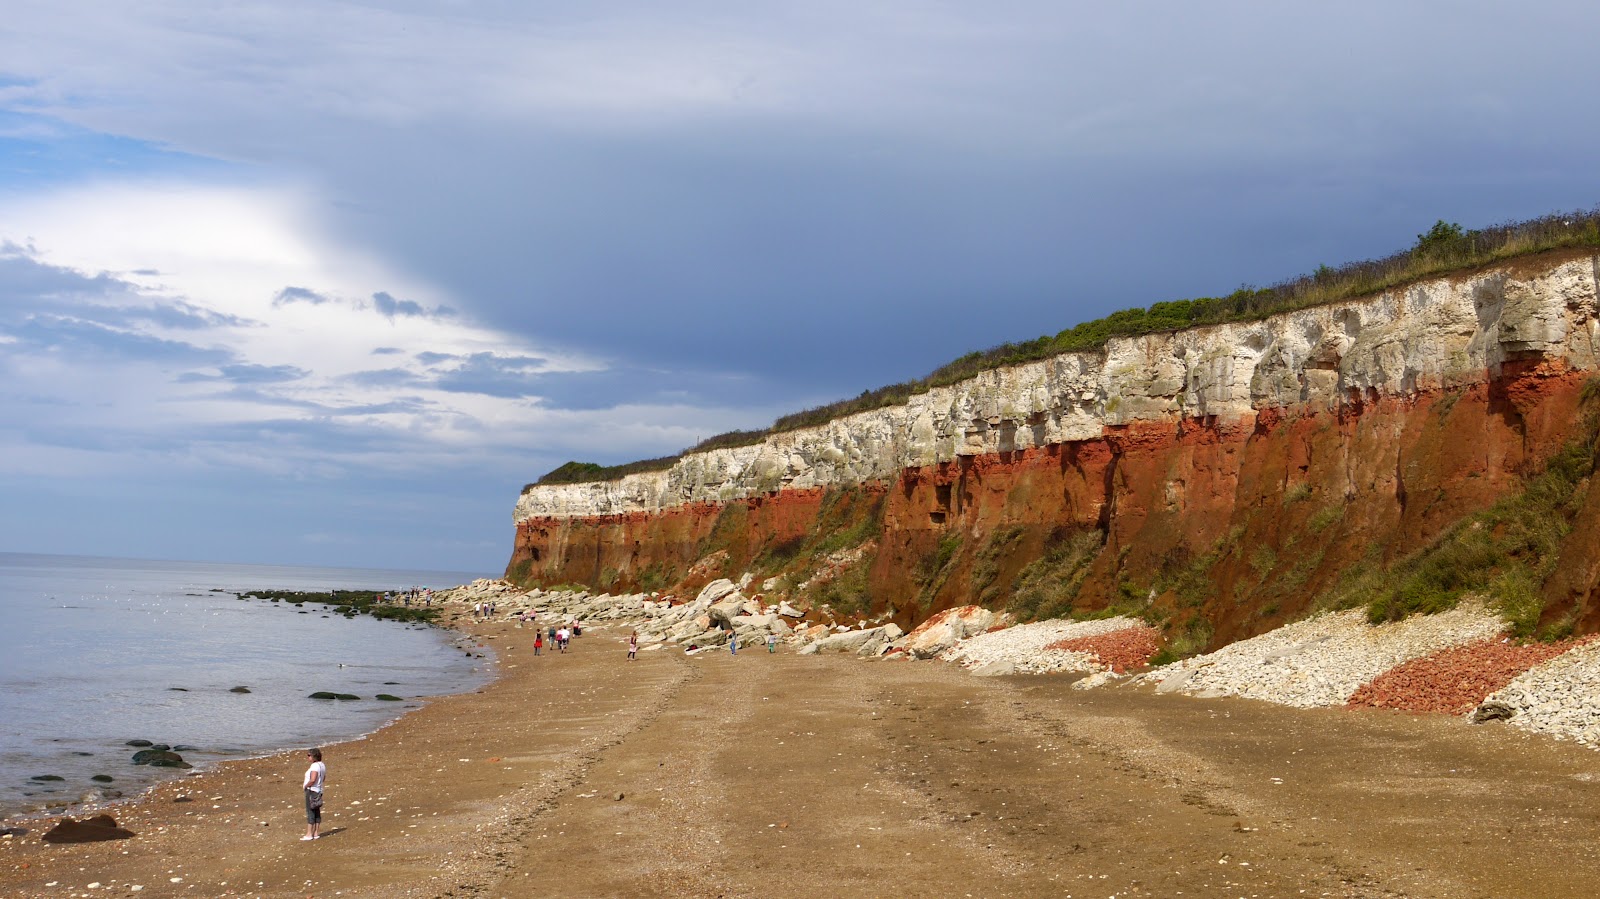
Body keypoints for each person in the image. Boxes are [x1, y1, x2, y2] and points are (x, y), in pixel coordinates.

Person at [302, 748, 326, 841]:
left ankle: (309, 834)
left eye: (309, 755)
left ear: (313, 756)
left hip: (312, 791)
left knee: (310, 811)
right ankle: (316, 833)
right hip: (319, 790)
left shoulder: (314, 766)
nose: (308, 757)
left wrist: (306, 786)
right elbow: (323, 778)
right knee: (316, 811)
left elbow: (313, 779)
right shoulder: (322, 765)